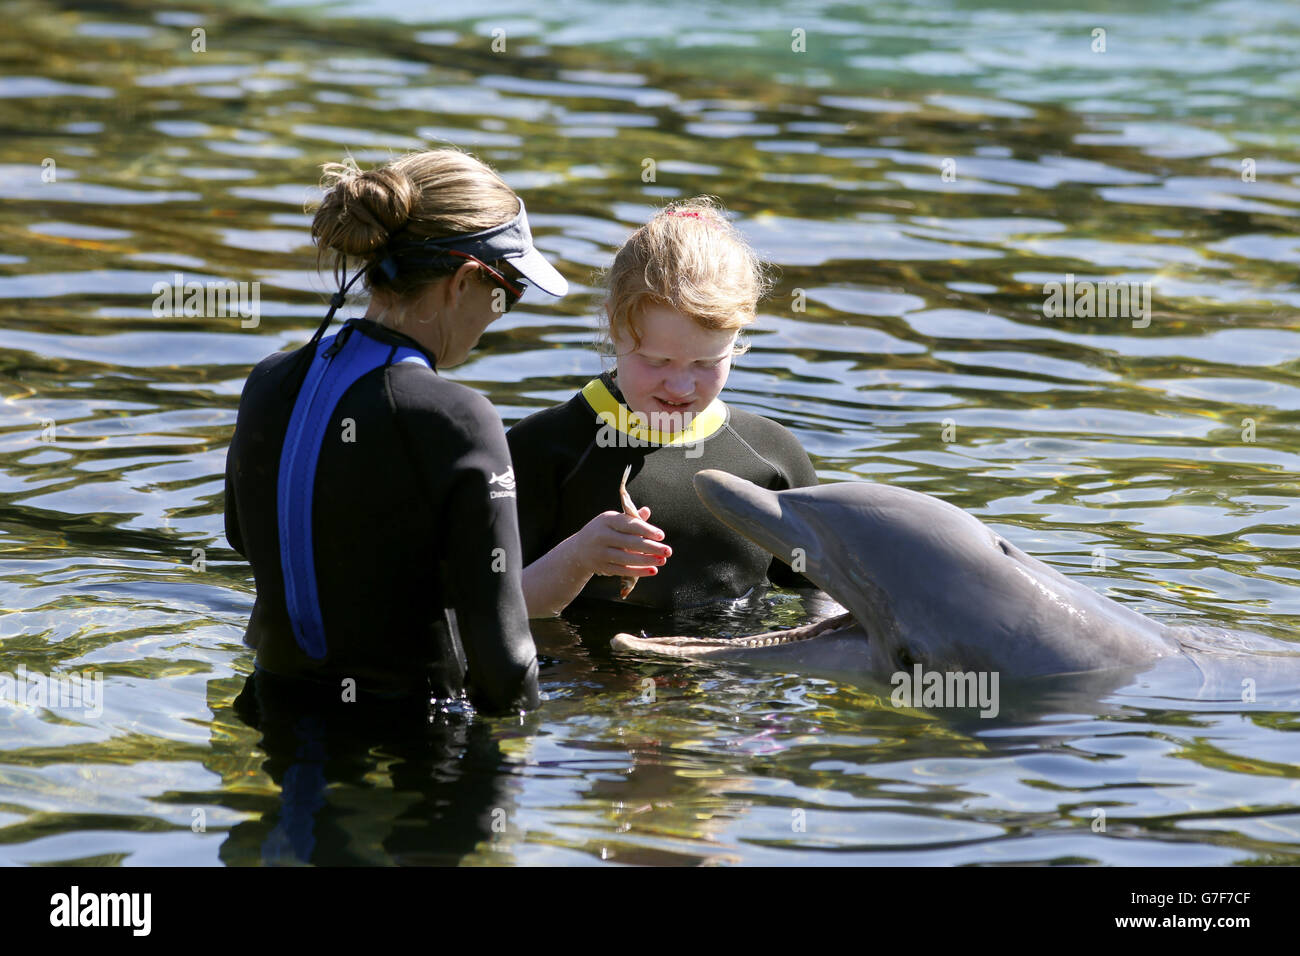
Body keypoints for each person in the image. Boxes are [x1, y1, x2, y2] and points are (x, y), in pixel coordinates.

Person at [225, 148, 565, 715]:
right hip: (414, 738)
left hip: (270, 708)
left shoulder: (269, 381)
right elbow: (505, 665)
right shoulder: (460, 420)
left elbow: (243, 537)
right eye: (510, 292)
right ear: (464, 281)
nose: (502, 313)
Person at [507, 197, 818, 617]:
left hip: (728, 678)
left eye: (707, 363)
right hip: (594, 677)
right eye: (656, 361)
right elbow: (482, 609)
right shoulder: (542, 450)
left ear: (738, 339)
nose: (680, 385)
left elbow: (821, 595)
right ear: (614, 325)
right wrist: (576, 558)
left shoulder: (772, 456)